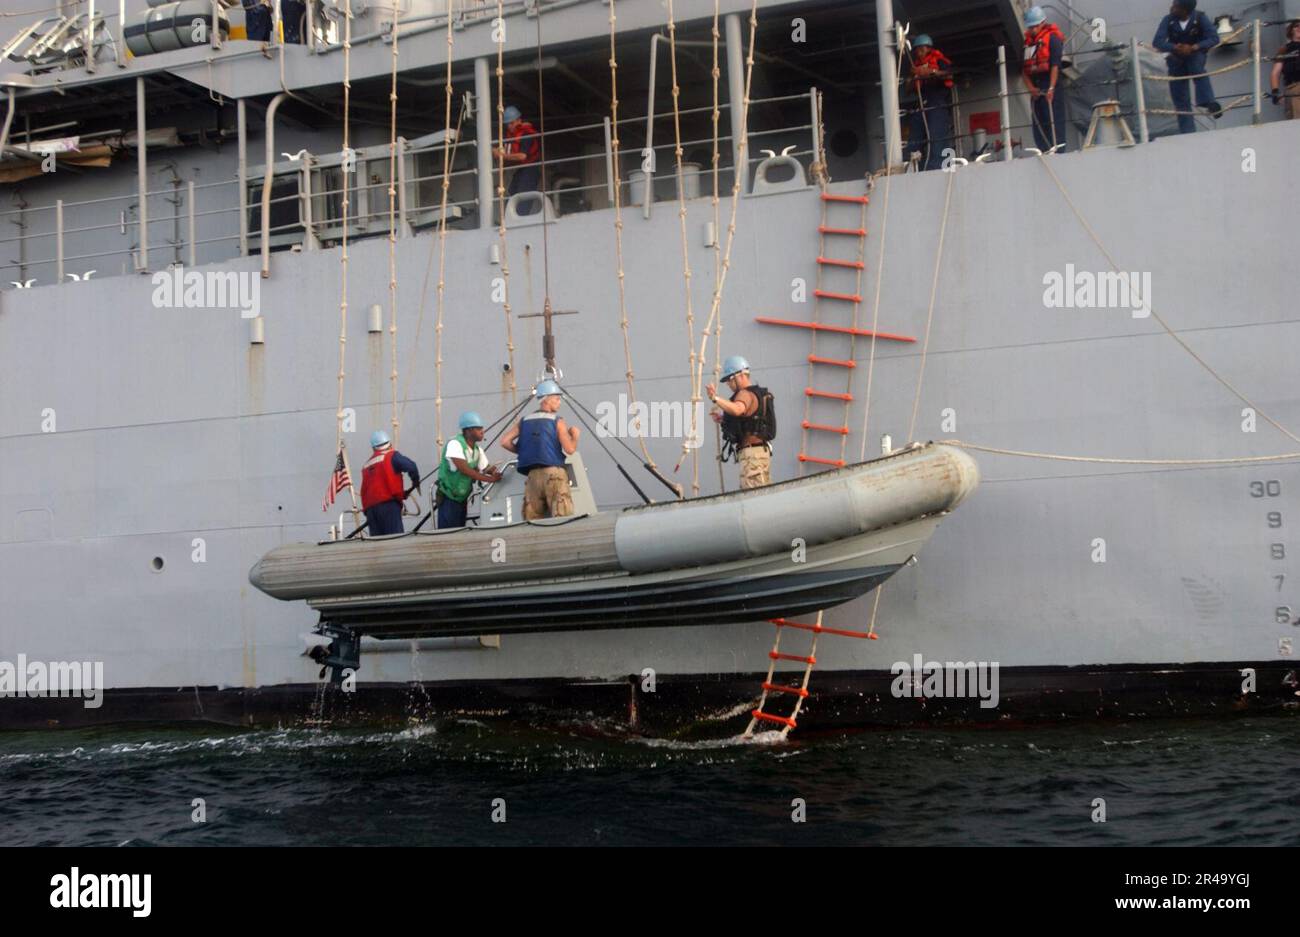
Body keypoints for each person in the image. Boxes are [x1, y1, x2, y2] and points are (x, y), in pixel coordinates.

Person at [500, 380, 579, 520]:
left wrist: (523, 450)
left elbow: (504, 441)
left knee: (533, 519)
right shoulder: (557, 421)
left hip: (533, 477)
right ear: (546, 400)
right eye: (556, 398)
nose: (559, 402)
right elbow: (570, 449)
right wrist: (575, 435)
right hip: (554, 475)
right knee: (562, 516)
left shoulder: (524, 421)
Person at [707, 355, 777, 490]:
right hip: (758, 453)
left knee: (755, 495)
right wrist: (723, 417)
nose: (728, 384)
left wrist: (715, 398)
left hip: (752, 456)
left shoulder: (744, 394)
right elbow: (747, 416)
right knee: (759, 491)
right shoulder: (756, 393)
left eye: (730, 380)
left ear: (740, 376)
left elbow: (738, 409)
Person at [1153, 0, 1223, 134]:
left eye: (1175, 6)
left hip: (1195, 55)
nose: (1172, 8)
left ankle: (1208, 102)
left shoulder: (1200, 18)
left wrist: (1194, 47)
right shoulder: (1169, 20)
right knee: (1180, 96)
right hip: (1176, 59)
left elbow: (1214, 38)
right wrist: (1175, 47)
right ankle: (1187, 131)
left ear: (1185, 10)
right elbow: (1158, 41)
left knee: (1197, 69)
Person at [436, 412, 502, 529]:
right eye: (478, 428)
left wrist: (496, 472)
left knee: (460, 530)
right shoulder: (455, 444)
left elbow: (486, 467)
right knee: (449, 534)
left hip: (462, 498)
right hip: (449, 498)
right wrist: (490, 479)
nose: (482, 431)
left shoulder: (477, 450)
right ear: (468, 431)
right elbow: (464, 469)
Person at [1021, 6, 1068, 153]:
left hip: (1050, 84)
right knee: (1039, 124)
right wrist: (1031, 89)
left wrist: (1051, 88)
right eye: (1031, 27)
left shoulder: (1052, 39)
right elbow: (1024, 70)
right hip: (1036, 87)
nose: (1033, 29)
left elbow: (1055, 65)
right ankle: (1043, 150)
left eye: (1035, 26)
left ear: (1042, 23)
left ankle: (1058, 152)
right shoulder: (1028, 44)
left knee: (1055, 122)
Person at [905, 35, 955, 171]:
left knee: (937, 135)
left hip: (937, 103)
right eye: (917, 50)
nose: (919, 52)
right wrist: (913, 78)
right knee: (915, 137)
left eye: (921, 49)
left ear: (928, 48)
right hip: (922, 104)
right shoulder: (915, 67)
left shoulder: (938, 60)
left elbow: (949, 74)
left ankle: (938, 167)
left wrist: (930, 72)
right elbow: (908, 89)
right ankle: (911, 166)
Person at [360, 430, 420, 536]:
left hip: (371, 511)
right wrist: (415, 482)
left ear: (373, 448)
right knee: (395, 540)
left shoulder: (366, 465)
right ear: (390, 443)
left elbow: (367, 488)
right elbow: (411, 466)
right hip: (389, 506)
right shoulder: (392, 456)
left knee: (377, 545)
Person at [492, 106, 542, 214]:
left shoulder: (526, 134)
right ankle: (509, 218)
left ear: (519, 120)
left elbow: (522, 156)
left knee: (523, 200)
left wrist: (502, 156)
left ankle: (519, 220)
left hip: (531, 169)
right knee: (513, 194)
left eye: (512, 123)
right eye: (508, 124)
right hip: (522, 170)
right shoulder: (512, 136)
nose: (510, 127)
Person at [1270, 20, 1300, 121]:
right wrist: (1275, 92)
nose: (1299, 28)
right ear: (1291, 30)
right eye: (1296, 26)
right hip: (1294, 88)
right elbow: (1275, 73)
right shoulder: (1284, 49)